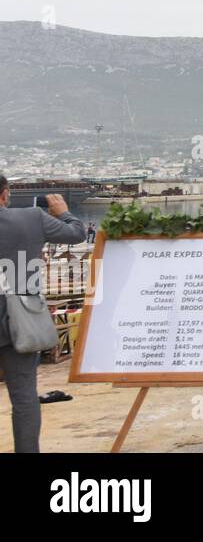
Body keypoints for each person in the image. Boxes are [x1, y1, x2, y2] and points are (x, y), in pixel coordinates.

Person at [0, 177, 87, 453]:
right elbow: (76, 233)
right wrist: (63, 212)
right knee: (24, 397)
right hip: (20, 319)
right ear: (4, 195)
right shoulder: (32, 217)